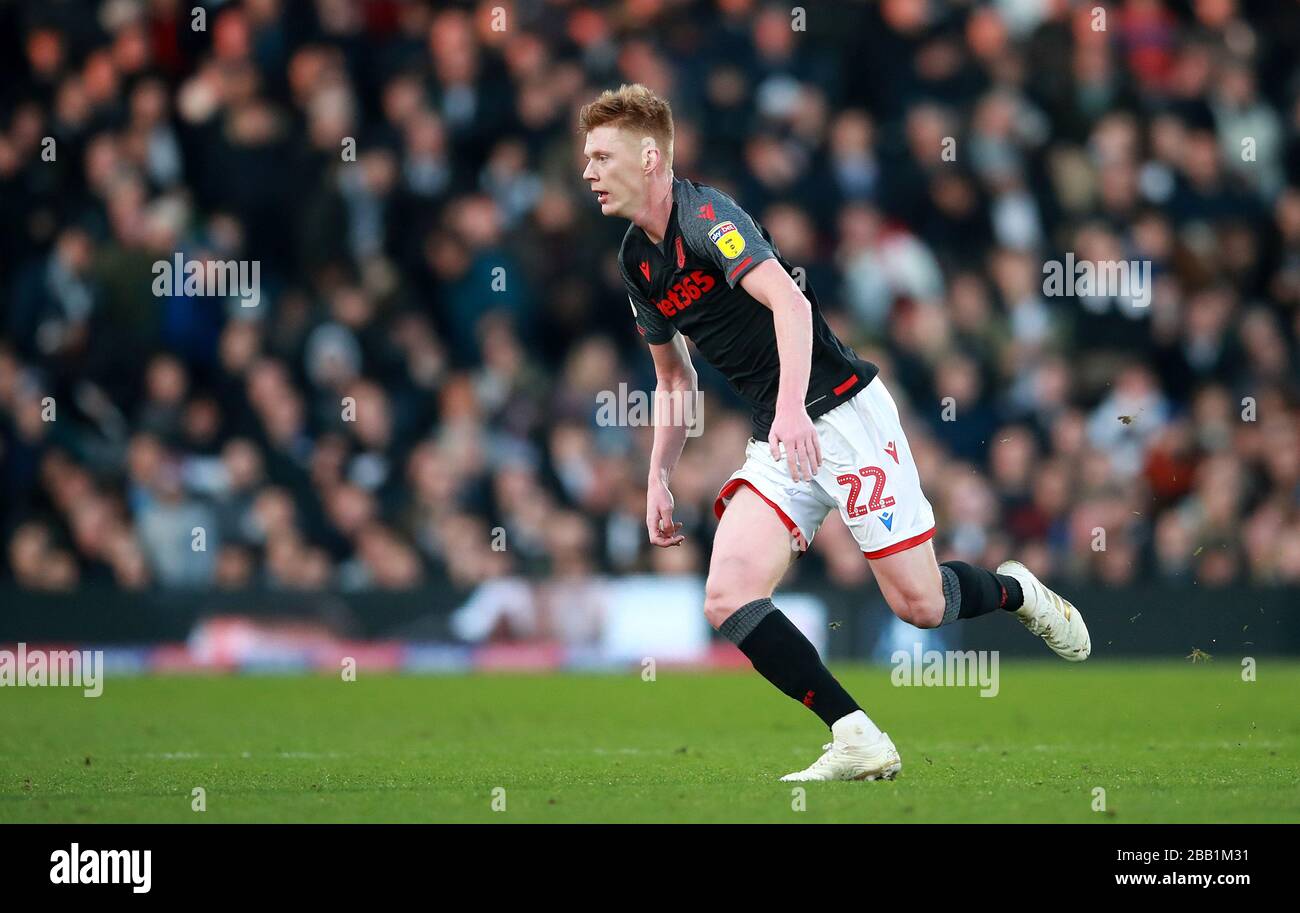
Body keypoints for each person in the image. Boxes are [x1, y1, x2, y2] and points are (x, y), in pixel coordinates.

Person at [580, 84, 1090, 782]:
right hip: (781, 434)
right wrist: (659, 473)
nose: (588, 170)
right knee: (727, 594)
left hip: (841, 414)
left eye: (601, 155)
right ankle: (857, 733)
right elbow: (675, 380)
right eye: (587, 157)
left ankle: (1016, 592)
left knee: (920, 604)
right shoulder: (636, 261)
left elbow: (788, 301)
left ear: (649, 155)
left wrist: (792, 406)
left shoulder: (708, 218)